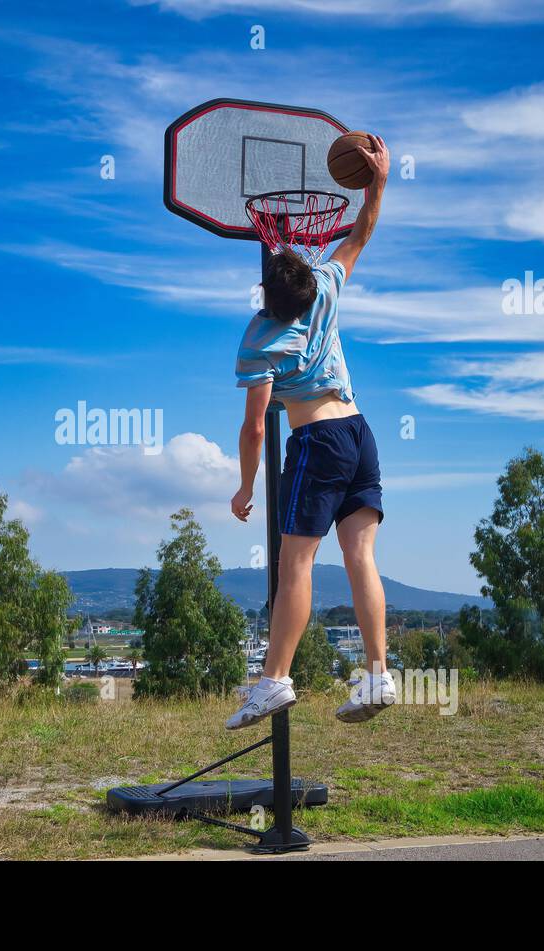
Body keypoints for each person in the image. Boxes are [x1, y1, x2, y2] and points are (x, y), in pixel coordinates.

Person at [226, 134, 394, 729]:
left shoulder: (261, 336)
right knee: (360, 558)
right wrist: (378, 180)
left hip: (318, 442)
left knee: (294, 561)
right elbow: (361, 233)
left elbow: (254, 429)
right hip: (360, 434)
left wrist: (245, 488)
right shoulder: (325, 287)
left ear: (267, 297)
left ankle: (274, 681)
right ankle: (377, 675)